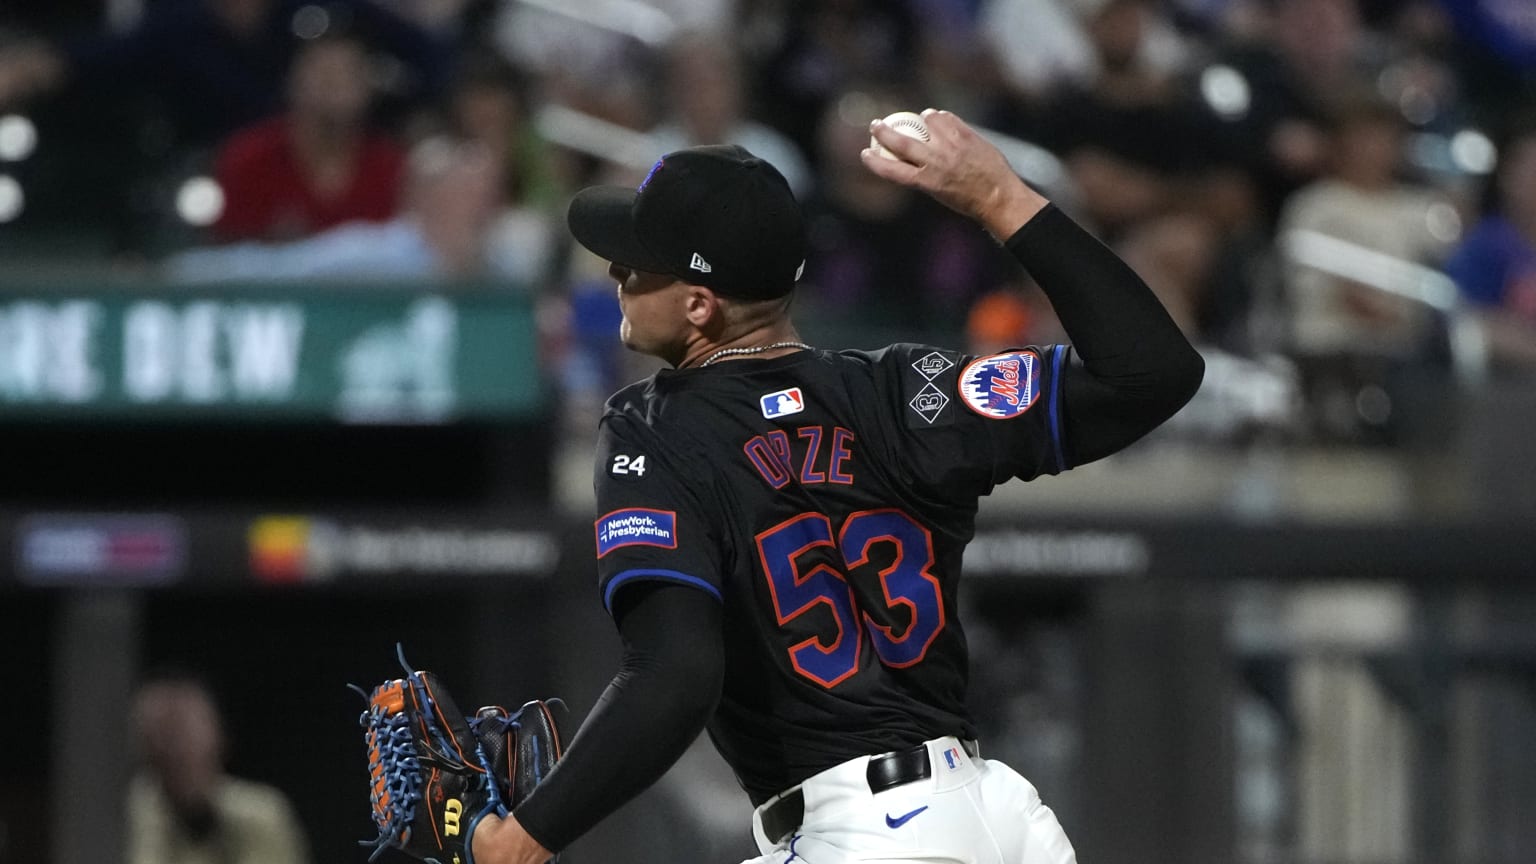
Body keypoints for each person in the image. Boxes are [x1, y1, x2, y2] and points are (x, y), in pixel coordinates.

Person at [471, 109, 1204, 864]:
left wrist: (527, 836)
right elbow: (1154, 372)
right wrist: (1001, 200)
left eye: (637, 261)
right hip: (998, 817)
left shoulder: (656, 428)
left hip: (861, 835)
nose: (618, 275)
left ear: (699, 304)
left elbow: (677, 672)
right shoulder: (906, 391)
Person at [212, 31, 406, 243]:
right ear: (292, 81)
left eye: (349, 73)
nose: (336, 85)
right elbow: (223, 255)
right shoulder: (249, 160)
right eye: (325, 73)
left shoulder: (391, 167)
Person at [128, 672, 311, 864]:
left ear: (219, 740)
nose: (177, 750)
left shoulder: (260, 813)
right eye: (164, 737)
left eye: (189, 737)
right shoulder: (132, 816)